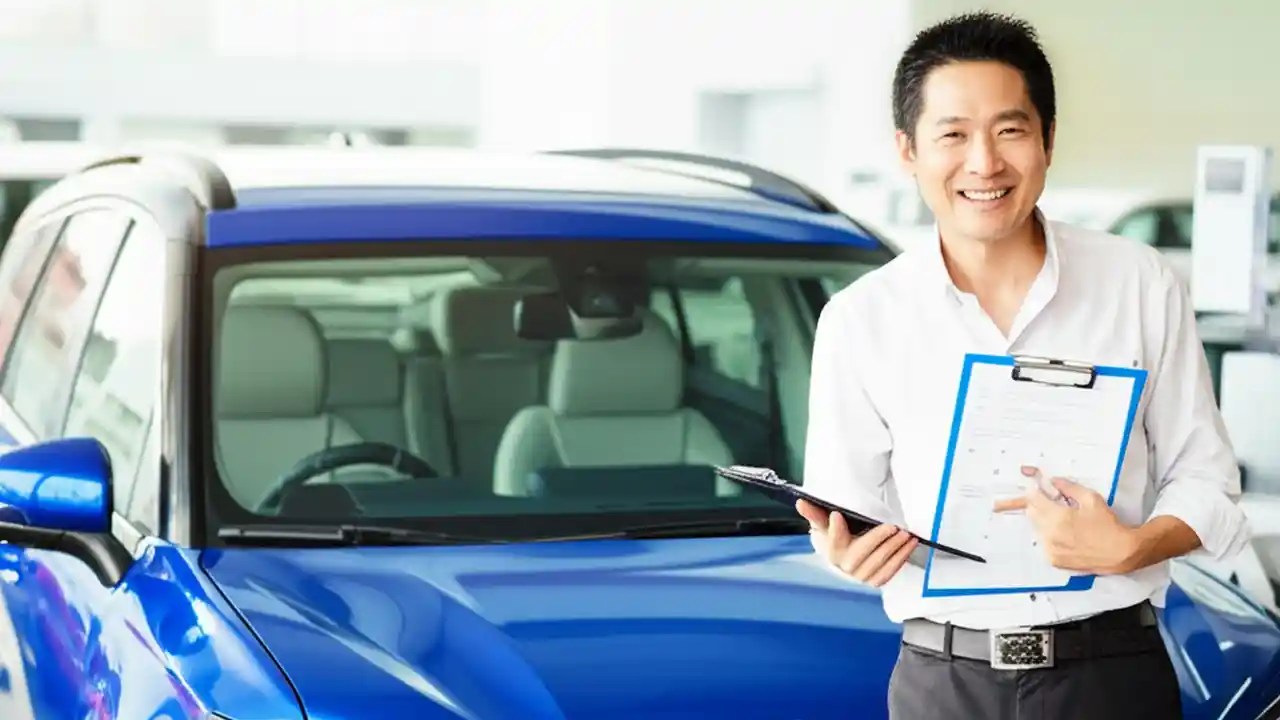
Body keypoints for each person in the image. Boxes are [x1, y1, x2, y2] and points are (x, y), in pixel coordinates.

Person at [795, 11, 1248, 720]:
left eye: (1010, 130)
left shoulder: (1139, 283)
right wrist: (846, 555)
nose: (984, 163)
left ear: (1048, 141)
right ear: (908, 150)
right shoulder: (861, 319)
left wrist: (1131, 546)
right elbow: (846, 511)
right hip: (943, 683)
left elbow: (1211, 485)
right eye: (952, 135)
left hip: (1110, 677)